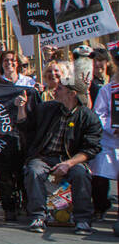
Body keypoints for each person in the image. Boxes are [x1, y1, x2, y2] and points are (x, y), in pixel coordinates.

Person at [18, 76, 102, 234]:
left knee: (81, 174)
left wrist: (68, 164)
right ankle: (38, 216)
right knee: (34, 171)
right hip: (44, 157)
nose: (55, 90)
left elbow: (91, 149)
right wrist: (21, 107)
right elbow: (25, 127)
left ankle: (83, 220)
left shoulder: (88, 117)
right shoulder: (46, 109)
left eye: (60, 88)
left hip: (71, 159)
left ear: (72, 94)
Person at [90, 51, 118, 232]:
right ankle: (101, 206)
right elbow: (99, 114)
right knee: (99, 173)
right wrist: (113, 126)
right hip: (110, 140)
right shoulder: (108, 90)